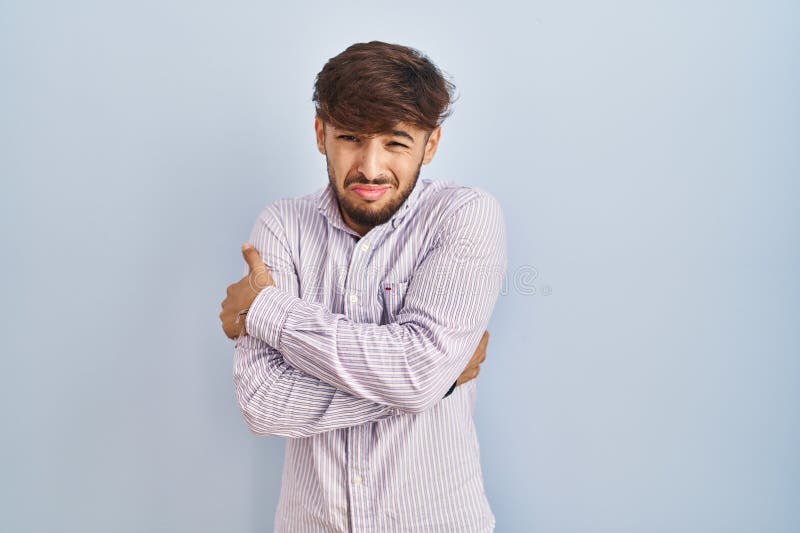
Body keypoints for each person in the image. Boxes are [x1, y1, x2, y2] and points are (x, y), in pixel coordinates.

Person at [219, 41, 507, 532]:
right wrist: (439, 381)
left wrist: (269, 310)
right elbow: (262, 405)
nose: (371, 167)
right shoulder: (282, 226)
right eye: (351, 137)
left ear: (430, 144)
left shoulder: (464, 216)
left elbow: (418, 373)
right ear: (320, 134)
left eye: (395, 142)